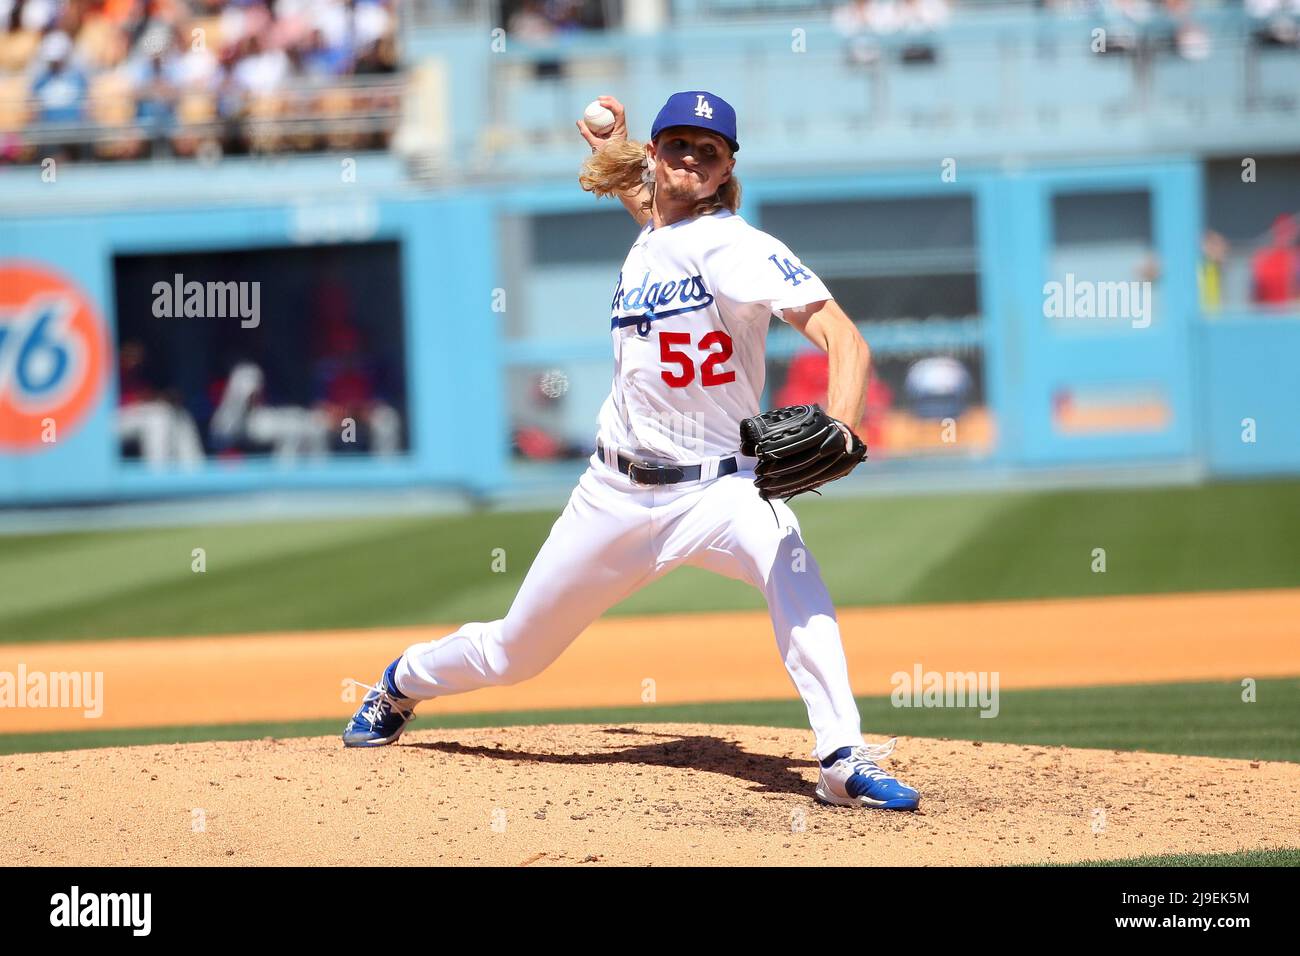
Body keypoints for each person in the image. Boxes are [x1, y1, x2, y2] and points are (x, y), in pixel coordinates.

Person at [342, 91, 921, 812]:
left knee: (792, 565)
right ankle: (401, 682)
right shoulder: (655, 229)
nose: (690, 157)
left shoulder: (741, 247)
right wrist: (610, 143)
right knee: (515, 653)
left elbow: (846, 338)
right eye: (676, 142)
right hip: (612, 494)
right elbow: (647, 204)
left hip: (718, 492)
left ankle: (840, 757)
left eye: (707, 150)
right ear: (656, 154)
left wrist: (841, 424)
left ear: (725, 170)